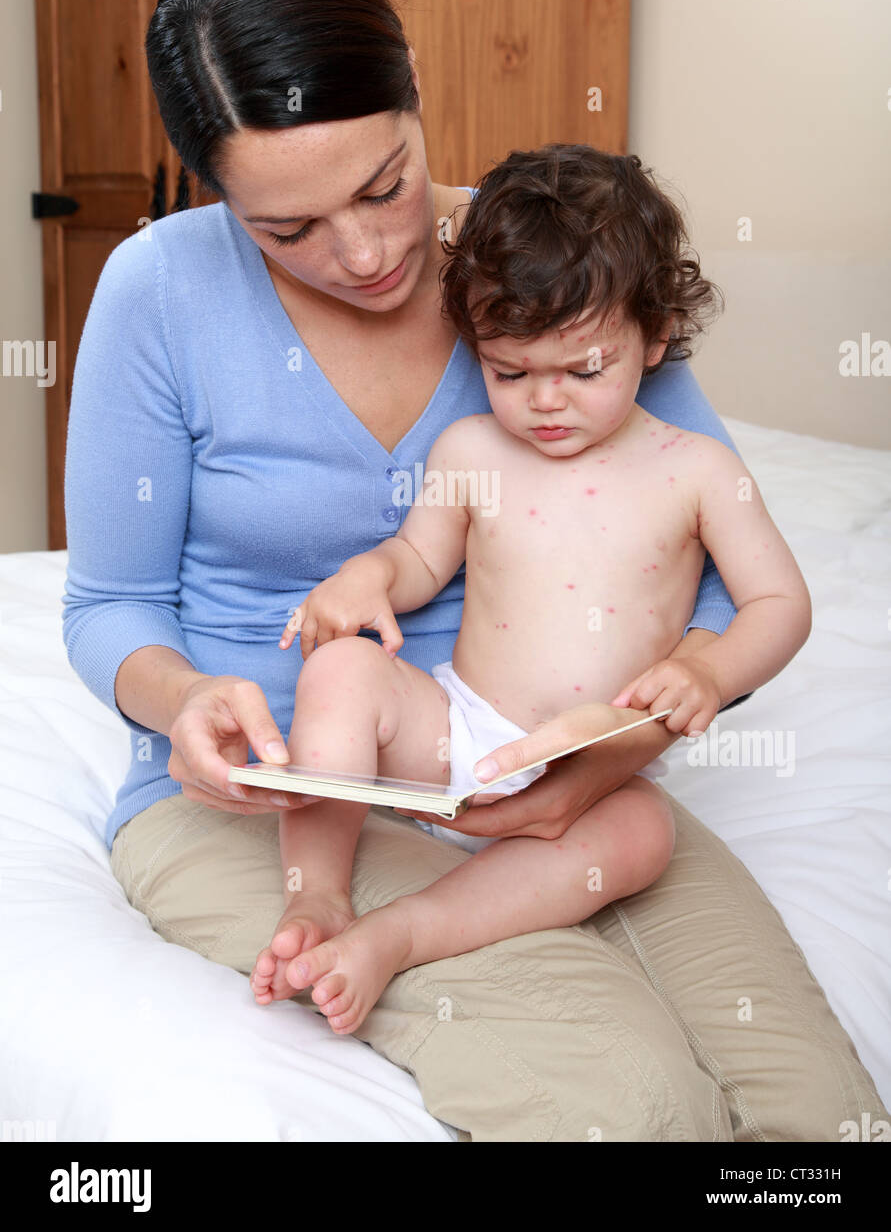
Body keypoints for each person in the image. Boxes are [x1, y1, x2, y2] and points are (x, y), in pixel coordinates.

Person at [63, 0, 888, 1140]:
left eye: (383, 185)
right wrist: (181, 697)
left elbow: (714, 575)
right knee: (631, 1101)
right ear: (211, 194)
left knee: (817, 1112)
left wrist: (592, 764)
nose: (365, 254)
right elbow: (107, 606)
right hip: (281, 791)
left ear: (413, 85)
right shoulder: (158, 293)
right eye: (286, 231)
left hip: (550, 766)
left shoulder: (544, 269)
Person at [249, 143, 813, 1037]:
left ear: (654, 336)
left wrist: (707, 674)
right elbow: (419, 559)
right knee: (339, 674)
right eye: (509, 372)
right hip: (456, 735)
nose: (544, 401)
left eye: (582, 370)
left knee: (641, 837)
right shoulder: (472, 450)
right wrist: (369, 578)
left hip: (591, 762)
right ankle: (316, 894)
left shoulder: (697, 471)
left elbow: (780, 605)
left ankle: (405, 931)